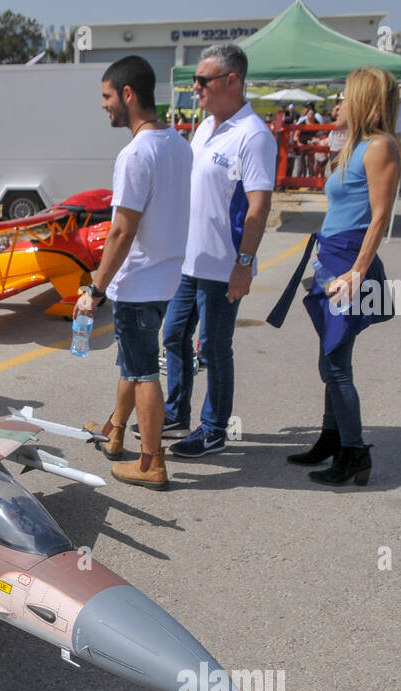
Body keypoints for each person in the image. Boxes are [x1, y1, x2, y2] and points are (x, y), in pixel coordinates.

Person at [266, 67, 401, 487]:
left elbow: (379, 218)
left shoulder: (380, 147)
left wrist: (357, 272)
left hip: (349, 262)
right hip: (332, 256)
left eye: (344, 97)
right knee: (331, 357)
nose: (337, 105)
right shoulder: (357, 146)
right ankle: (332, 437)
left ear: (363, 100)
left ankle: (355, 451)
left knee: (336, 363)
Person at [75, 55, 192, 489]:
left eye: (107, 96)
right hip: (166, 278)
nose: (103, 105)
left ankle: (151, 463)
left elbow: (123, 231)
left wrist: (94, 288)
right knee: (131, 362)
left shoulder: (135, 154)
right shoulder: (180, 145)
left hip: (138, 282)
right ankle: (115, 432)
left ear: (128, 95)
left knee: (143, 371)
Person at [161, 43, 275, 459]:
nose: (196, 88)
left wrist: (243, 264)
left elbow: (260, 207)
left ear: (231, 80)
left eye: (202, 80)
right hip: (188, 261)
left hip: (223, 265)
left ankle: (213, 429)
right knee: (173, 336)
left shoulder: (254, 136)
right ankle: (176, 413)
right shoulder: (206, 126)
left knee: (213, 348)